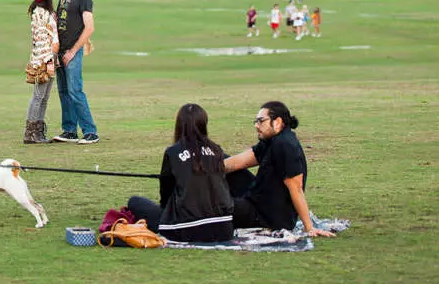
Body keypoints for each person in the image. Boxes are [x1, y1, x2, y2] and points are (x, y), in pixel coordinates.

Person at [224, 101, 335, 237]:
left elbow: (296, 188)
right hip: (258, 197)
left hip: (268, 217)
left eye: (261, 121)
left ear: (277, 122)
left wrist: (309, 227)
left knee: (214, 206)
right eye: (256, 121)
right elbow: (241, 162)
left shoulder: (285, 145)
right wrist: (206, 167)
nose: (256, 126)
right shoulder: (272, 140)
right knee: (218, 161)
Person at [127, 104, 233, 242]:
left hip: (185, 228)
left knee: (134, 202)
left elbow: (165, 192)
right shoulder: (217, 151)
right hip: (224, 229)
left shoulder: (172, 152)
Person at [52, 0, 98, 144]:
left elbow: (90, 27)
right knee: (63, 92)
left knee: (75, 91)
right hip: (60, 52)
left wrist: (73, 50)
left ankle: (90, 132)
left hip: (72, 52)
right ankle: (69, 131)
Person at [23, 0, 58, 144]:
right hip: (44, 60)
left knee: (44, 97)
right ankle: (31, 133)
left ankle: (37, 131)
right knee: (38, 96)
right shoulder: (41, 12)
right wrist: (49, 61)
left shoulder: (45, 11)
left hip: (48, 58)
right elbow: (42, 39)